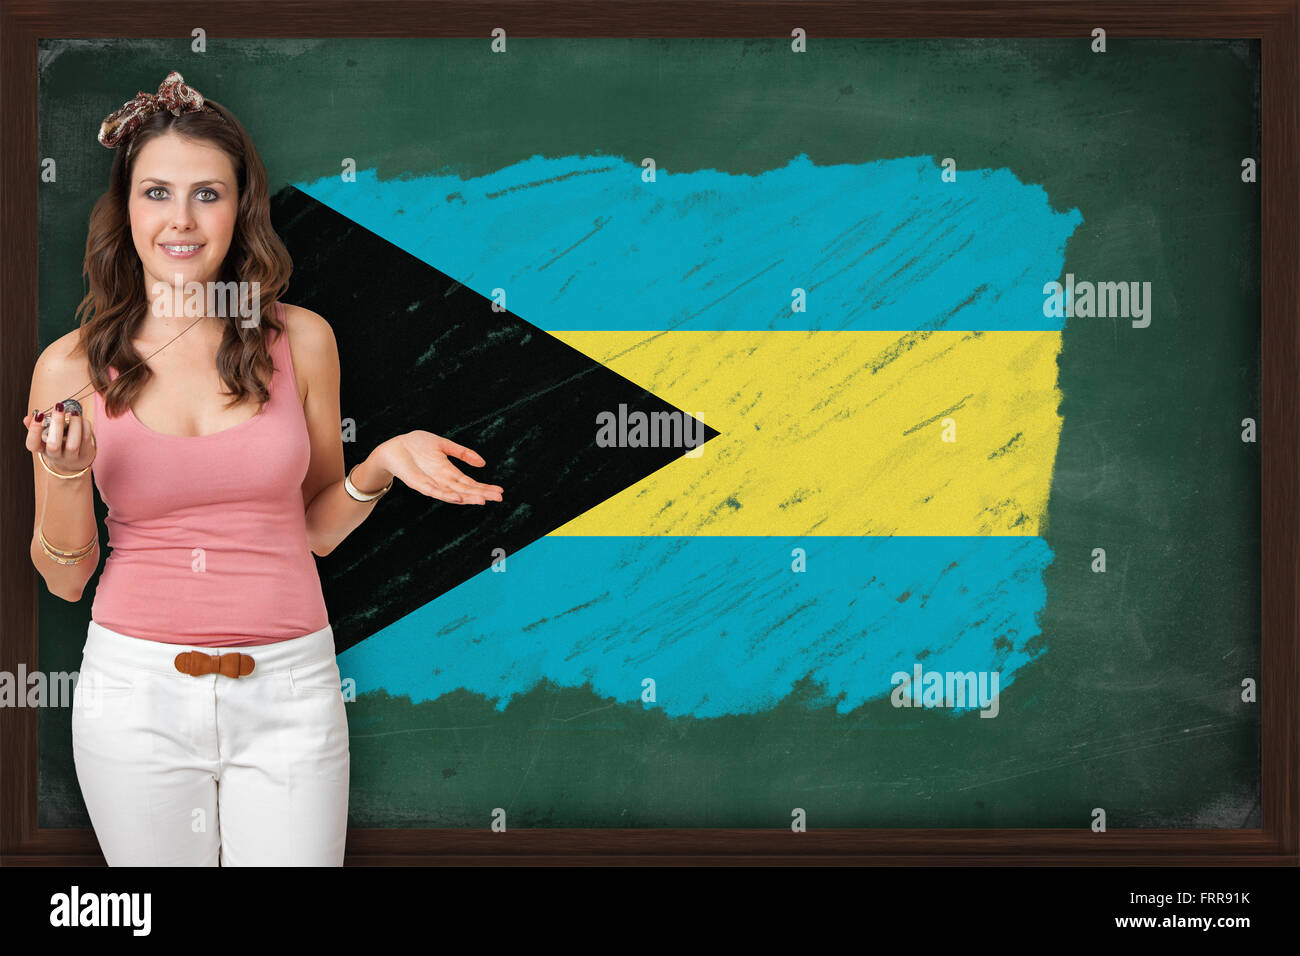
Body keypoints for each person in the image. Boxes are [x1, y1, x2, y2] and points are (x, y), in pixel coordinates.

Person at [24, 71, 504, 866]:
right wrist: (70, 476)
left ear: (241, 208)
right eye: (156, 193)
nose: (181, 220)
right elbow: (65, 578)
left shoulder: (301, 340)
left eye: (207, 194)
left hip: (292, 691)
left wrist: (380, 465)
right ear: (126, 209)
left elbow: (312, 530)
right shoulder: (69, 367)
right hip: (134, 695)